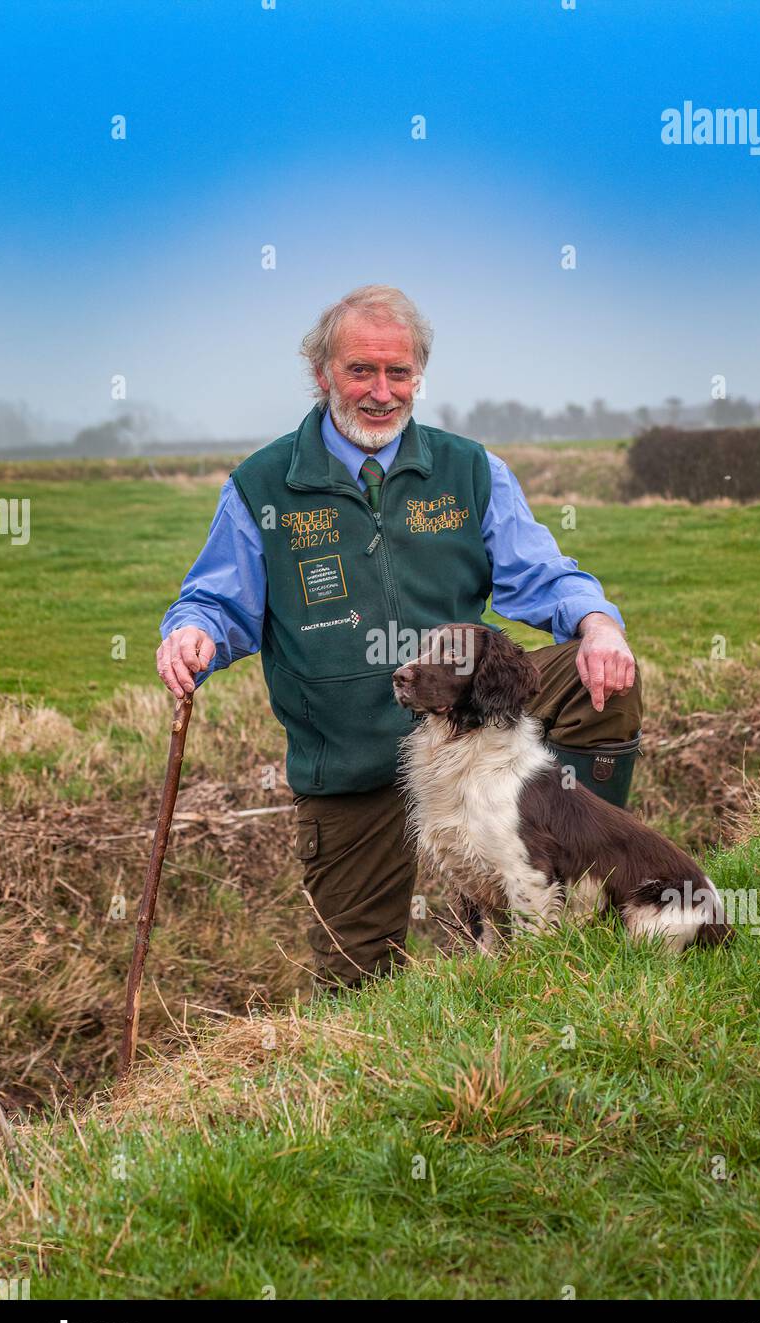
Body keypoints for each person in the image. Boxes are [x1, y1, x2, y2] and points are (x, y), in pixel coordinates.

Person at [156, 285, 642, 990]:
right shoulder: (263, 484)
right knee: (358, 982)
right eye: (360, 371)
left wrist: (597, 622)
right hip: (351, 757)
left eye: (399, 372)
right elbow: (216, 600)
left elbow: (540, 574)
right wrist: (193, 632)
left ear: (418, 375)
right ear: (321, 375)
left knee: (600, 673)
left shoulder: (468, 469)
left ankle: (568, 869)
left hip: (467, 732)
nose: (381, 392)